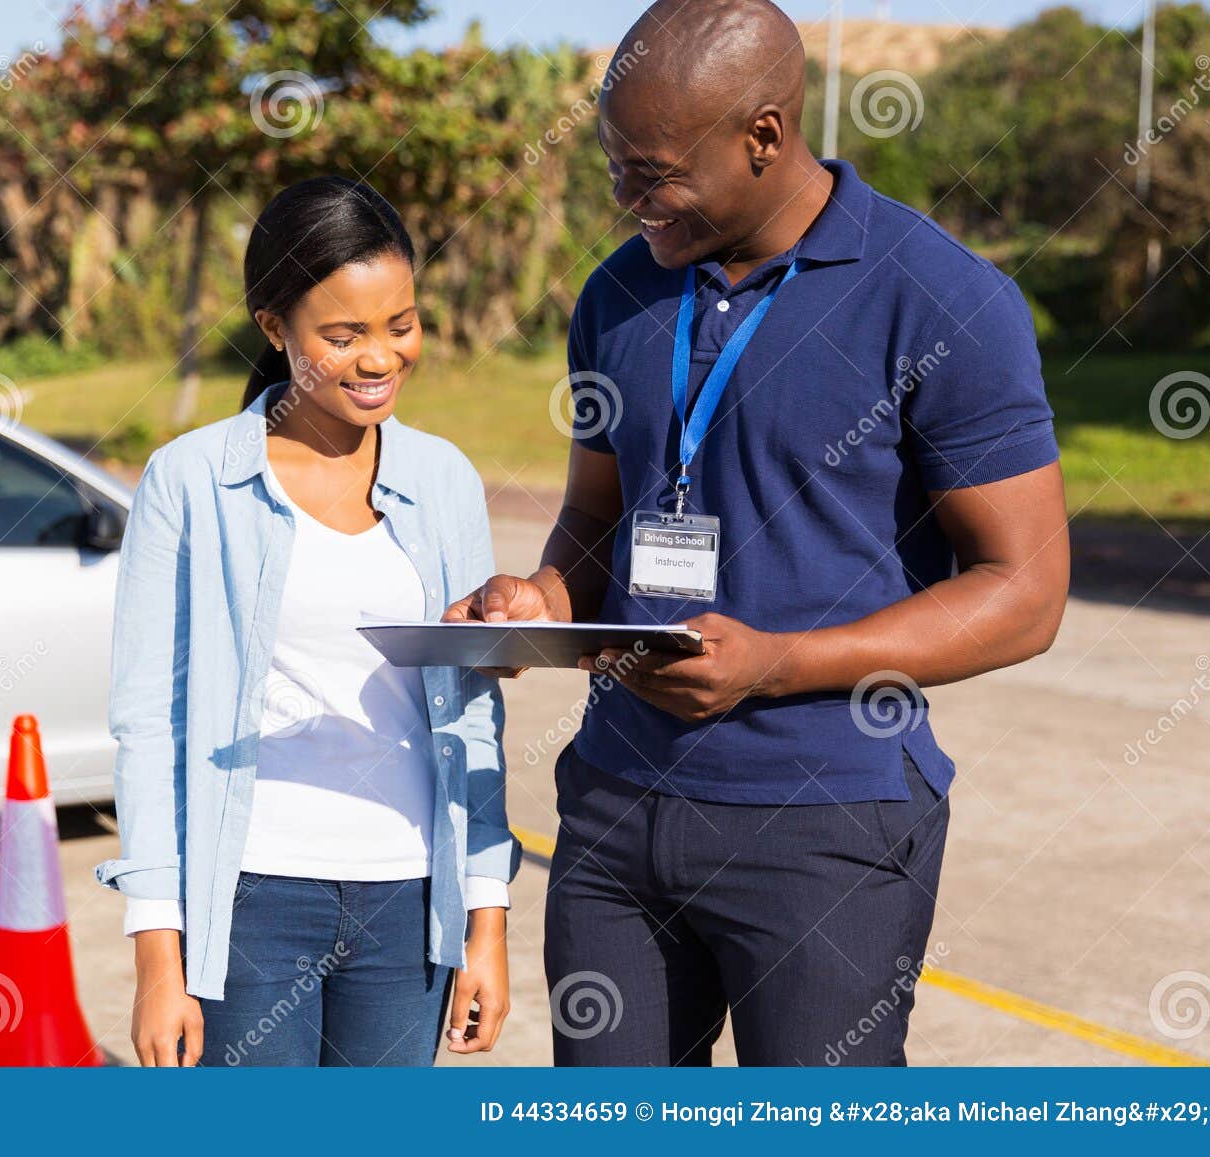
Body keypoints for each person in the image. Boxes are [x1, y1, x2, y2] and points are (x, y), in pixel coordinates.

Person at [446, 0, 1070, 1066]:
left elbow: (1025, 592)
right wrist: (543, 599)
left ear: (765, 136)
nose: (625, 200)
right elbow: (596, 519)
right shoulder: (616, 294)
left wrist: (780, 664)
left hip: (826, 826)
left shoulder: (941, 300)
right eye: (612, 168)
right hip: (613, 807)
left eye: (651, 173)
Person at [98, 176, 520, 1067]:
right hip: (250, 897)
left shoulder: (444, 480)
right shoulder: (189, 482)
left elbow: (477, 712)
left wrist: (487, 921)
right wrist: (155, 956)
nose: (380, 359)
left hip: (409, 903)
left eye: (400, 325)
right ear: (273, 328)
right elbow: (150, 725)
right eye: (344, 335)